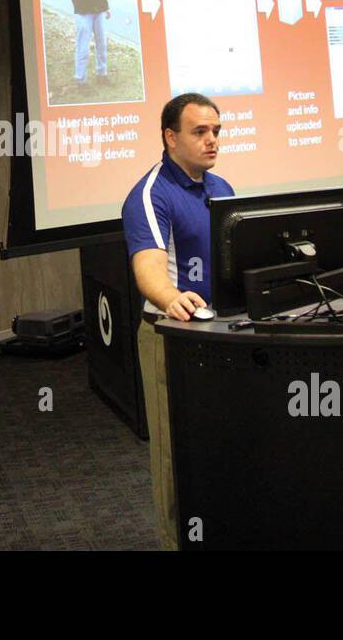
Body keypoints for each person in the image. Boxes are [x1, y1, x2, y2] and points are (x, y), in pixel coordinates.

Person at [120, 93, 234, 550]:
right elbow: (148, 272)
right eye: (200, 132)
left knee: (225, 442)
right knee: (174, 454)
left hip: (224, 335)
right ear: (171, 137)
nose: (212, 141)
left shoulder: (221, 187)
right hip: (170, 338)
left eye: (217, 131)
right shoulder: (150, 195)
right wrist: (173, 299)